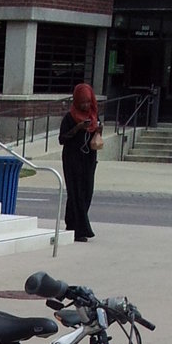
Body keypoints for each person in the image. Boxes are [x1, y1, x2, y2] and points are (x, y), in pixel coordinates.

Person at [59, 81, 103, 243]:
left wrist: (97, 129)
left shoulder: (93, 115)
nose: (85, 105)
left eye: (88, 102)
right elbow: (62, 139)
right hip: (72, 159)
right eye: (82, 102)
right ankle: (80, 230)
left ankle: (71, 223)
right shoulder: (70, 117)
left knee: (87, 192)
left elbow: (96, 136)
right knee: (75, 193)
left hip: (89, 158)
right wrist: (77, 128)